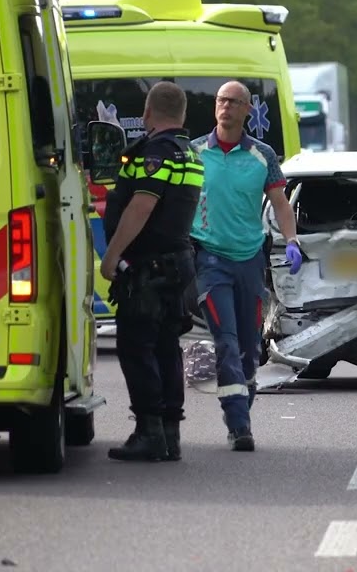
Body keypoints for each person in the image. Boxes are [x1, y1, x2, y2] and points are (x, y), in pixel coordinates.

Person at [190, 80, 302, 452]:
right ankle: (239, 424)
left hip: (250, 260)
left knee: (250, 349)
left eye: (234, 102)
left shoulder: (262, 155)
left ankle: (241, 404)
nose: (226, 107)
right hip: (210, 259)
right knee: (226, 341)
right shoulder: (195, 153)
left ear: (247, 111)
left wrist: (293, 241)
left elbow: (280, 203)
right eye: (221, 100)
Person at [100, 81, 205, 462]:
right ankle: (169, 434)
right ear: (182, 115)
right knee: (165, 348)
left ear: (147, 112)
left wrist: (111, 257)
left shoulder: (157, 152)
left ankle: (149, 433)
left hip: (149, 268)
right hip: (176, 264)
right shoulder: (188, 153)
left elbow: (142, 206)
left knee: (136, 348)